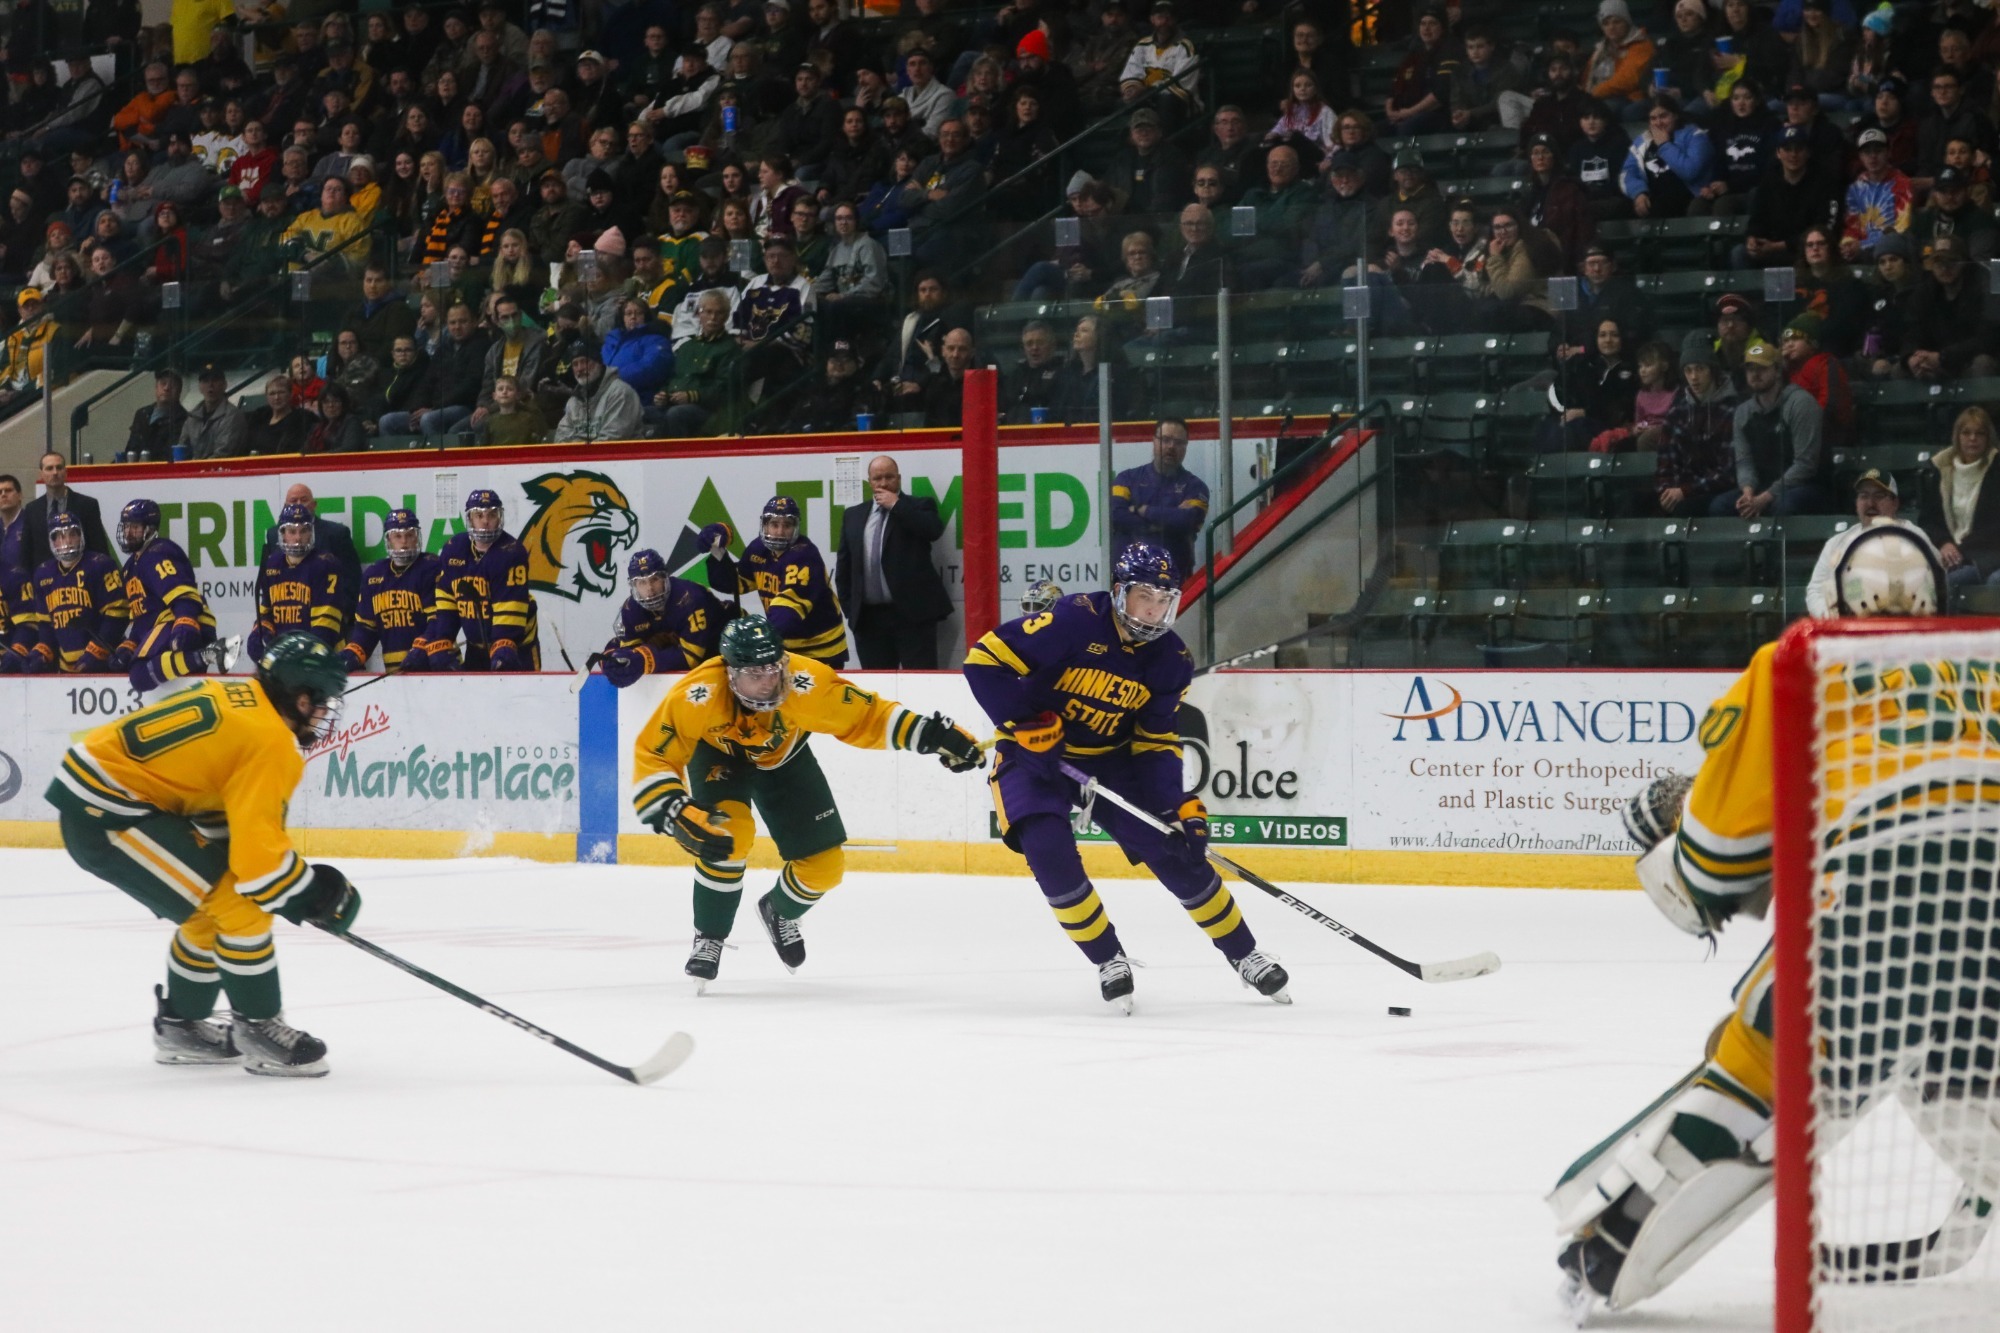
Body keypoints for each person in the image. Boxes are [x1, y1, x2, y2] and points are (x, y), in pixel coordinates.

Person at [1552, 522, 1952, 1318]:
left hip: (1862, 955)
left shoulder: (1798, 665)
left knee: (1760, 1056)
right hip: (1986, 961)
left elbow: (1716, 865)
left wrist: (1674, 830)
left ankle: (1614, 1239)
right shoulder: (1985, 669)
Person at [964, 543, 1290, 1011]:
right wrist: (1025, 721)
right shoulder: (1074, 620)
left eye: (1164, 600)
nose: (1154, 611)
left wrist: (1174, 804)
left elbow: (1155, 742)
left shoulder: (1170, 660)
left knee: (1177, 850)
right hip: (1035, 755)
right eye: (1144, 597)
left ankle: (1245, 954)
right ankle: (1107, 958)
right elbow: (983, 661)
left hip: (1110, 760)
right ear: (1119, 592)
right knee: (1047, 850)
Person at [44, 632, 360, 1075]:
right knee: (239, 906)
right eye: (321, 699)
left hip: (109, 799)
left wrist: (295, 888)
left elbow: (218, 811)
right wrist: (313, 893)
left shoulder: (239, 693)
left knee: (212, 911)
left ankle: (182, 1025)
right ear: (299, 696)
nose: (325, 711)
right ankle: (258, 1026)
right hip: (110, 812)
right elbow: (258, 868)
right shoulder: (271, 741)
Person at [631, 613, 981, 988]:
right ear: (730, 673)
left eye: (773, 668)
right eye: (755, 673)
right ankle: (710, 936)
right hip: (719, 759)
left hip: (785, 758)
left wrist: (932, 736)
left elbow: (869, 716)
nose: (768, 682)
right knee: (728, 837)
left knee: (826, 867)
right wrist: (672, 808)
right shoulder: (697, 694)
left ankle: (779, 911)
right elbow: (654, 753)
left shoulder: (806, 683)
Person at [833, 454, 952, 670]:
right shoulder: (854, 515)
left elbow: (932, 530)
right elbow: (844, 568)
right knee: (877, 688)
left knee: (920, 683)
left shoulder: (920, 505)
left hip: (912, 616)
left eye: (889, 477)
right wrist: (853, 613)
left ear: (899, 479)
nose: (884, 483)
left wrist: (896, 505)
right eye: (877, 478)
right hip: (869, 621)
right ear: (869, 482)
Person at [699, 496, 846, 667]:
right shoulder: (758, 549)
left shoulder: (804, 555)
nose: (780, 531)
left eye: (787, 525)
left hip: (821, 649)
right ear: (765, 525)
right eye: (774, 524)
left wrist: (757, 638)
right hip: (785, 647)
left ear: (796, 527)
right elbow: (733, 583)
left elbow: (787, 612)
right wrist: (718, 551)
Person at [111, 498, 232, 695]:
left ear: (149, 529)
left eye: (134, 527)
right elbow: (142, 617)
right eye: (126, 527)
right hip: (165, 626)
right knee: (184, 688)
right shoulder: (129, 568)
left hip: (183, 621)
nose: (128, 532)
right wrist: (129, 645)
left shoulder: (158, 553)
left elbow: (182, 594)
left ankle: (206, 653)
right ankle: (205, 655)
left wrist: (185, 622)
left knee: (140, 675)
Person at [415, 489, 538, 672]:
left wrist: (504, 645)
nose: (486, 521)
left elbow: (508, 607)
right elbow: (447, 600)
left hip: (517, 646)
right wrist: (441, 640)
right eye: (479, 515)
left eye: (492, 515)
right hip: (476, 648)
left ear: (500, 517)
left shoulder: (512, 552)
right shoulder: (453, 550)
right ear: (470, 519)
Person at [1717, 338, 1827, 517]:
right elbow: (1744, 461)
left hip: (1805, 485)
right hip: (1763, 487)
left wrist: (1767, 496)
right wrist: (1748, 492)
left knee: (1783, 506)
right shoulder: (1743, 412)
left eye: (1762, 368)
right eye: (1750, 369)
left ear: (1777, 371)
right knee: (1720, 506)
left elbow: (1806, 465)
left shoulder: (1800, 403)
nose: (1755, 374)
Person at [594, 548, 732, 687]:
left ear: (665, 578)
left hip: (726, 642)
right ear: (633, 586)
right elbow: (629, 653)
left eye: (654, 579)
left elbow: (691, 658)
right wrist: (614, 663)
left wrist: (645, 659)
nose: (649, 588)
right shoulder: (630, 610)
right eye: (641, 582)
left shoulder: (691, 598)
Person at [1803, 470, 1924, 616]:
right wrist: (1829, 618)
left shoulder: (1914, 538)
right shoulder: (1836, 543)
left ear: (1895, 503)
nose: (1870, 503)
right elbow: (1816, 589)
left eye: (1879, 496)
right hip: (1845, 630)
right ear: (1856, 504)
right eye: (1864, 496)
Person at [20, 511, 127, 673]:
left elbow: (118, 615)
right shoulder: (43, 573)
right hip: (65, 668)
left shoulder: (101, 565)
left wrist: (97, 651)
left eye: (72, 534)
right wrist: (41, 654)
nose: (67, 541)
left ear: (80, 536)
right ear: (52, 541)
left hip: (104, 664)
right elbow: (46, 624)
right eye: (60, 536)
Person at [339, 508, 442, 673]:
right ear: (388, 539)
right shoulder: (374, 575)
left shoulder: (431, 567)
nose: (404, 541)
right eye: (398, 536)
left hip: (437, 668)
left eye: (410, 535)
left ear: (417, 537)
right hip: (396, 674)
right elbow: (366, 629)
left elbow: (439, 620)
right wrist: (353, 653)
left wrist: (422, 648)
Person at [1649, 332, 1740, 517]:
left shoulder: (1732, 410)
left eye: (1700, 369)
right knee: (1633, 503)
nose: (1694, 377)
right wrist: (1666, 491)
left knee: (1685, 509)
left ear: (1712, 370)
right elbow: (1665, 464)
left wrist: (1685, 491)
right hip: (1681, 490)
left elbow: (1729, 473)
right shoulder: (1677, 413)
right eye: (1688, 370)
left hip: (1713, 491)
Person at [248, 501, 352, 660]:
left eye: (303, 531)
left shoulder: (326, 565)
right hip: (286, 660)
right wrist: (261, 634)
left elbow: (325, 627)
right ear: (282, 534)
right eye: (292, 531)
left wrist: (298, 655)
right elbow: (266, 613)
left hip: (326, 661)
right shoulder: (271, 564)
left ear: (311, 533)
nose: (298, 537)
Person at [1111, 419, 1209, 578]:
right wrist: (1165, 522)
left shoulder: (1195, 487)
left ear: (1185, 447)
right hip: (1129, 580)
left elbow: (1189, 519)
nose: (1171, 447)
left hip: (1174, 582)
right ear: (1154, 441)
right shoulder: (1127, 479)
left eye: (1178, 442)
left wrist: (1142, 510)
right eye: (1165, 440)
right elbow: (1115, 515)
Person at [1917, 406, 2000, 586]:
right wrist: (1944, 543)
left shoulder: (1996, 470)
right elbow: (1928, 520)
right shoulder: (1941, 470)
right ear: (1957, 436)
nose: (1972, 438)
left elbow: (1995, 527)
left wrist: (1961, 550)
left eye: (1980, 433)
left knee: (1951, 582)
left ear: (1988, 438)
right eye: (1966, 432)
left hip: (1988, 556)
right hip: (1950, 555)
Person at [257, 485, 363, 614]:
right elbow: (269, 580)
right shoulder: (273, 534)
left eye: (304, 499)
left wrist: (340, 615)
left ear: (314, 504)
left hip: (327, 612)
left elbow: (352, 580)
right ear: (285, 505)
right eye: (293, 501)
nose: (299, 505)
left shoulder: (336, 533)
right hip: (286, 613)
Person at [22, 450, 111, 571]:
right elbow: (26, 552)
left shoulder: (87, 505)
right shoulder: (32, 509)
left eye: (59, 468)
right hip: (43, 579)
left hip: (80, 577)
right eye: (49, 468)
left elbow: (99, 547)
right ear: (41, 474)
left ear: (65, 472)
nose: (55, 472)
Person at [553, 334, 644, 444]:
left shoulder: (620, 392)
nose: (580, 369)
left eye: (585, 361)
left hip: (623, 459)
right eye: (575, 364)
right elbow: (560, 438)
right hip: (583, 459)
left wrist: (580, 448)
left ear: (599, 363)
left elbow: (613, 439)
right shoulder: (574, 401)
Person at [179, 365, 249, 460]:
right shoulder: (192, 416)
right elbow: (182, 449)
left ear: (224, 385)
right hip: (195, 471)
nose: (210, 385)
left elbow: (223, 454)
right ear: (200, 387)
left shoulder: (233, 416)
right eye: (205, 381)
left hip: (222, 472)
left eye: (215, 380)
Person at [123, 370, 190, 462]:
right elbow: (131, 448)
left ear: (179, 391)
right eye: (163, 383)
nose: (166, 388)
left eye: (172, 385)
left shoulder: (184, 419)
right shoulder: (142, 414)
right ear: (156, 387)